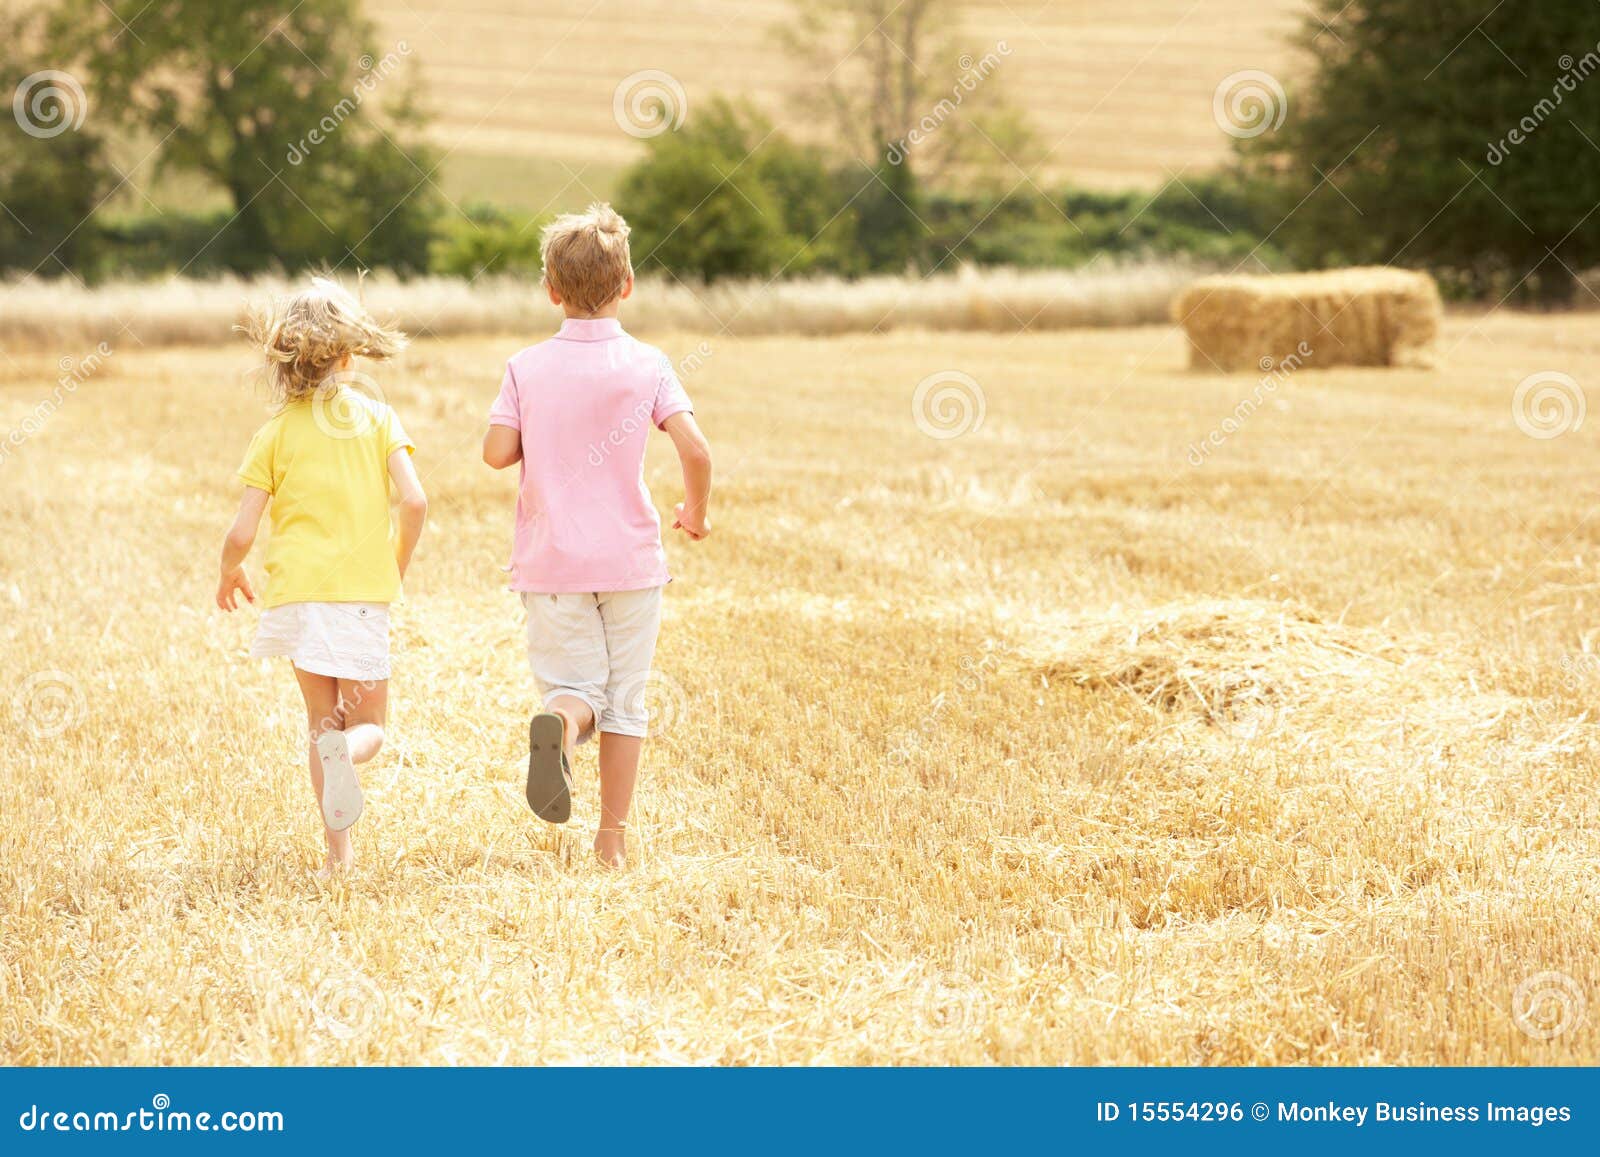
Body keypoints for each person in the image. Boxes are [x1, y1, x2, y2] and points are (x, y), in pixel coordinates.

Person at [483, 202, 712, 869]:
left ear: (551, 290)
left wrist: (536, 428)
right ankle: (610, 842)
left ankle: (561, 723)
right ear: (629, 283)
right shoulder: (649, 363)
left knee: (576, 689)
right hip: (632, 561)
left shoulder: (526, 365)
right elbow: (696, 450)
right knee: (628, 699)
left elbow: (497, 453)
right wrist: (694, 511)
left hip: (552, 562)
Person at [217, 278, 427, 877]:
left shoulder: (276, 432)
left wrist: (230, 572)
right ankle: (347, 759)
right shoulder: (379, 418)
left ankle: (339, 859)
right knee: (367, 729)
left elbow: (240, 531)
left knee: (320, 724)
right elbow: (415, 503)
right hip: (360, 596)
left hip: (297, 599)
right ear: (347, 355)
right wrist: (395, 565)